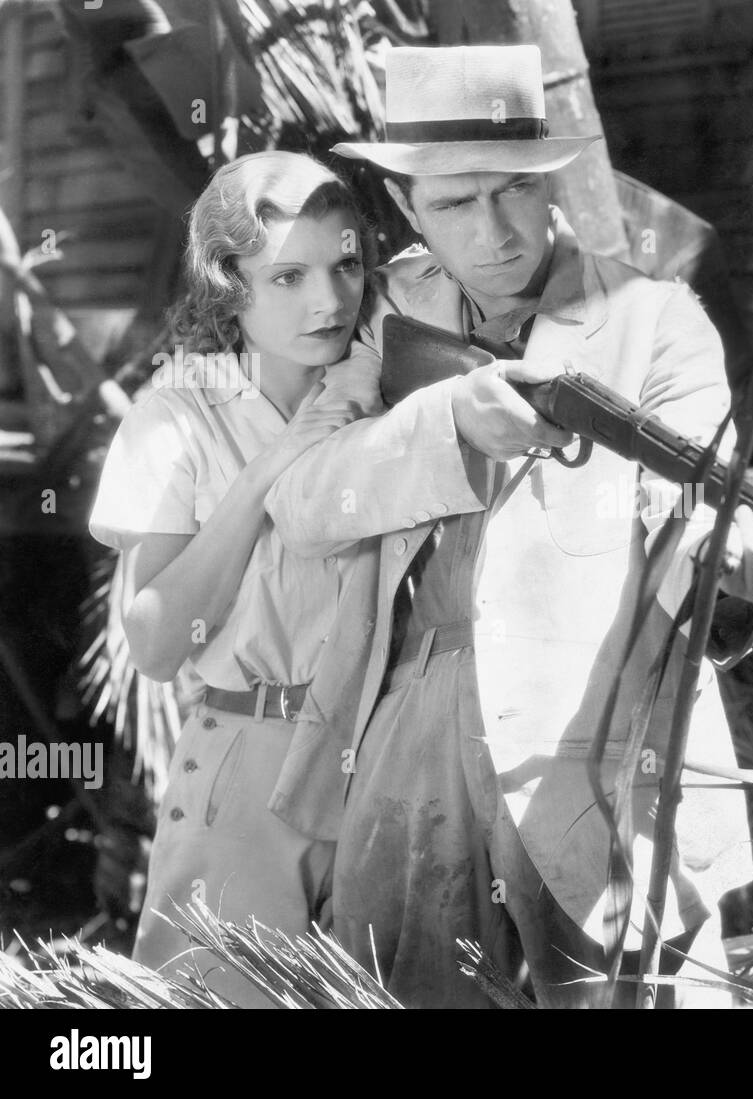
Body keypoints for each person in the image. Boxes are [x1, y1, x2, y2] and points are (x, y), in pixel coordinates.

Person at [265, 45, 753, 1007]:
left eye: (513, 193)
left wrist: (725, 559)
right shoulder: (383, 318)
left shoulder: (655, 319)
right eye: (453, 203)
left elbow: (693, 502)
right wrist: (446, 421)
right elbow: (305, 500)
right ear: (407, 209)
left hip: (600, 722)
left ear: (548, 179)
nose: (492, 232)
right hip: (414, 725)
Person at [88, 151, 378, 1005]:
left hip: (384, 760)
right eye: (287, 275)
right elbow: (155, 639)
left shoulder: (392, 394)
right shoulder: (177, 414)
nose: (328, 301)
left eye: (346, 265)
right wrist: (273, 466)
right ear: (229, 285)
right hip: (246, 768)